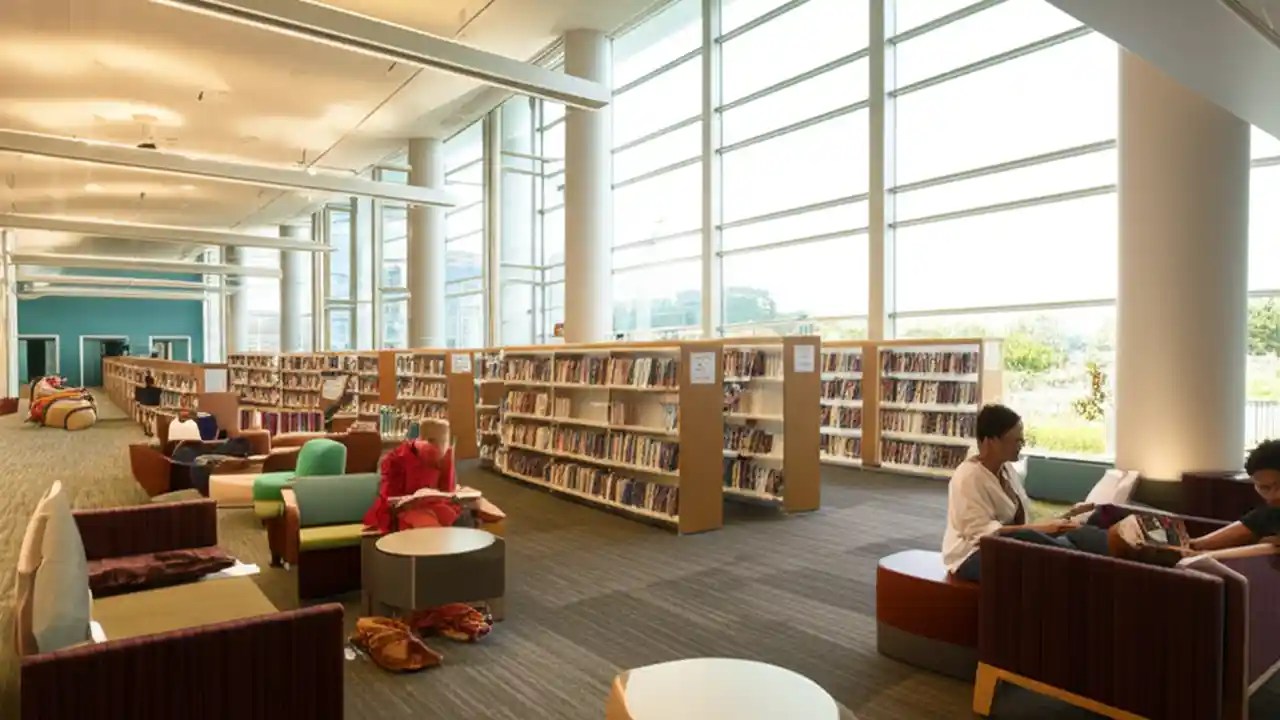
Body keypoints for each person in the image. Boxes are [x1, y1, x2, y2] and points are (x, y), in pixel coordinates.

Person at [943, 404, 1107, 582]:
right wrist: (1042, 530)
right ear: (991, 441)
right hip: (972, 555)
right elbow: (982, 534)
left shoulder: (1006, 470)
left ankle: (1120, 542)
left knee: (1078, 535)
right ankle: (1096, 561)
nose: (1021, 445)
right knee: (1058, 550)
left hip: (1007, 544)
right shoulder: (968, 478)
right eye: (1016, 441)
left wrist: (1067, 514)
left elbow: (1024, 520)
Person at [1188, 439, 1280, 552]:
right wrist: (1191, 546)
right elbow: (1198, 545)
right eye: (1264, 488)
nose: (1274, 495)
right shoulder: (1268, 513)